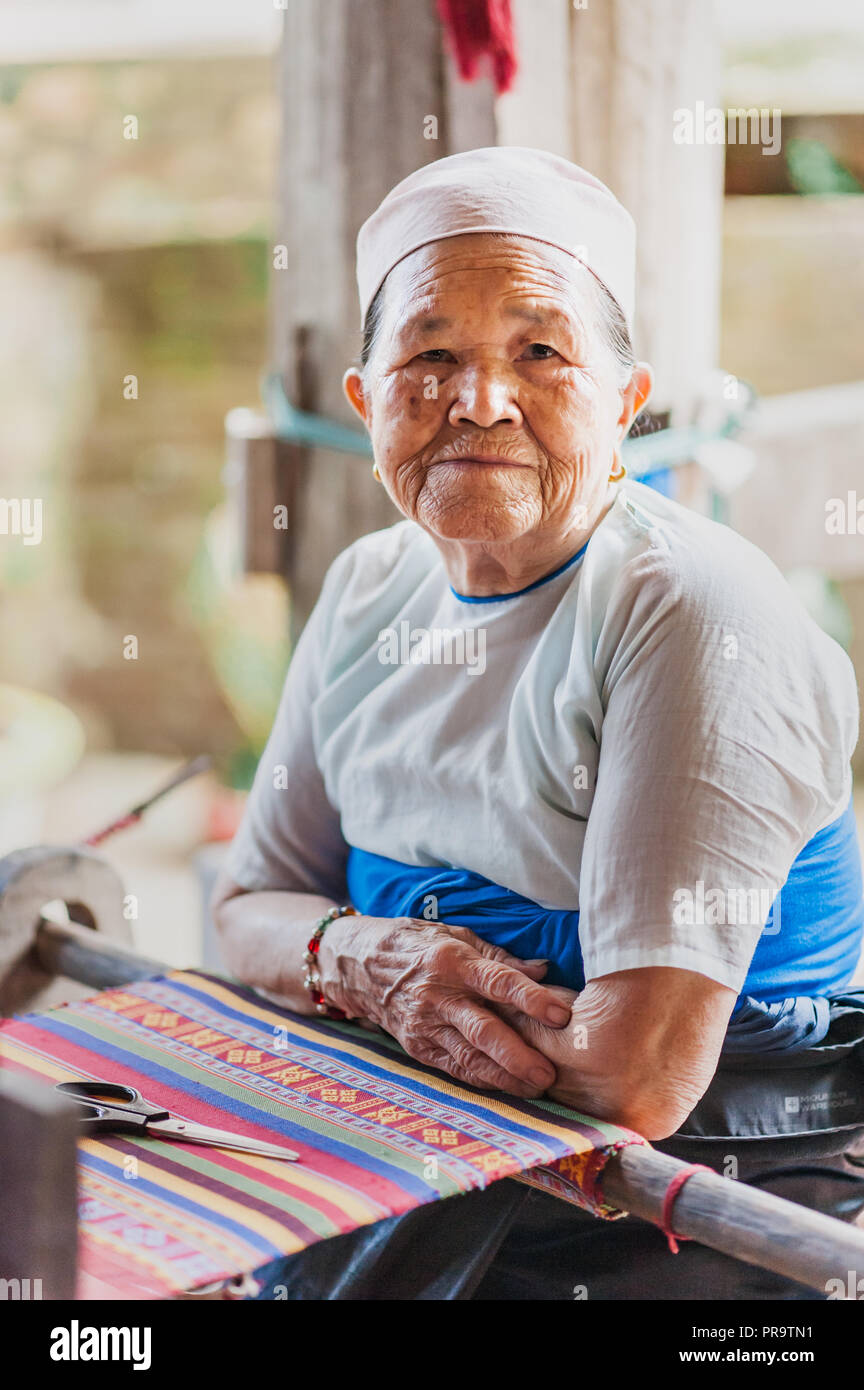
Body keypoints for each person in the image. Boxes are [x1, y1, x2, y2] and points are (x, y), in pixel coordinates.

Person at [212, 148, 864, 1299]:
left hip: (679, 1216)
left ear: (625, 401)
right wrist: (359, 956)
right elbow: (246, 912)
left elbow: (633, 1078)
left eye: (541, 352)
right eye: (430, 356)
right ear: (365, 402)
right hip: (433, 1171)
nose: (479, 400)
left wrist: (332, 973)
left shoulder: (689, 611)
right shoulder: (369, 590)